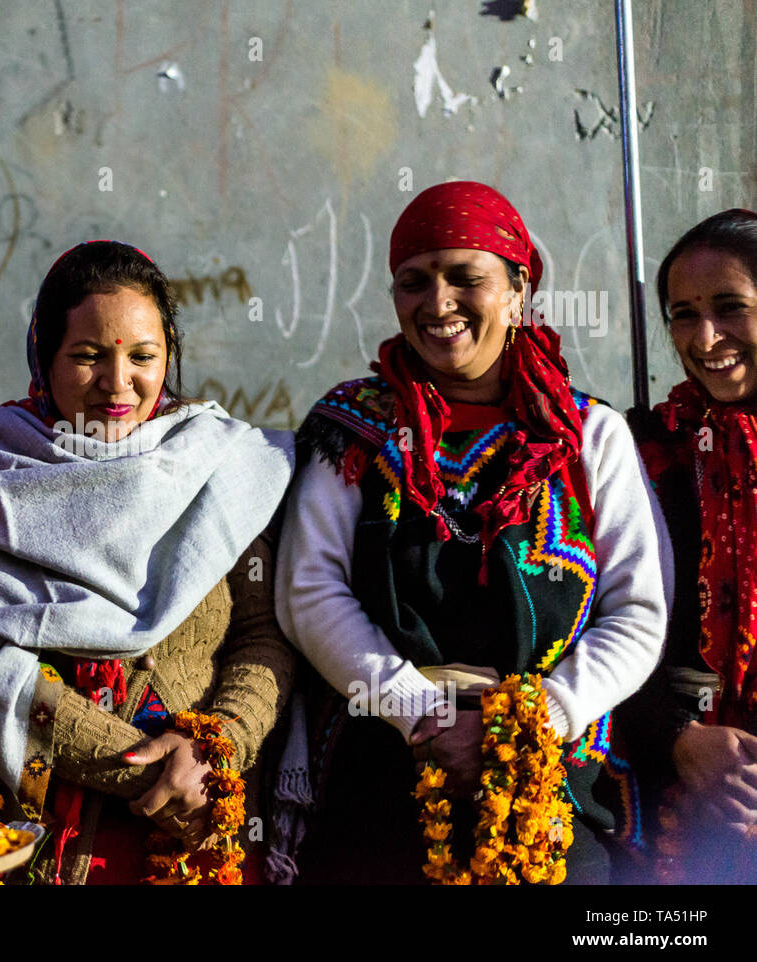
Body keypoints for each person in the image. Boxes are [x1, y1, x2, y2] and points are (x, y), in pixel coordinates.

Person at [274, 182, 670, 884]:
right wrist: (421, 715)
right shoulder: (352, 430)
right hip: (385, 762)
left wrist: (536, 719)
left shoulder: (589, 437)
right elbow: (310, 592)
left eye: (466, 277)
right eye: (414, 281)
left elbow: (637, 611)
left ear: (518, 289)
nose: (438, 303)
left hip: (550, 768)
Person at [0, 241, 297, 884]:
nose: (117, 383)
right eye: (88, 356)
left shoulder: (216, 466)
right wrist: (149, 773)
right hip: (49, 845)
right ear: (45, 357)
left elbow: (263, 635)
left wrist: (219, 746)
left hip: (200, 836)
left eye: (142, 356)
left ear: (168, 357)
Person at [628, 209, 757, 883]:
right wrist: (676, 737)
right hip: (674, 792)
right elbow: (595, 621)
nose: (705, 338)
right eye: (682, 313)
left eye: (731, 307)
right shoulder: (639, 451)